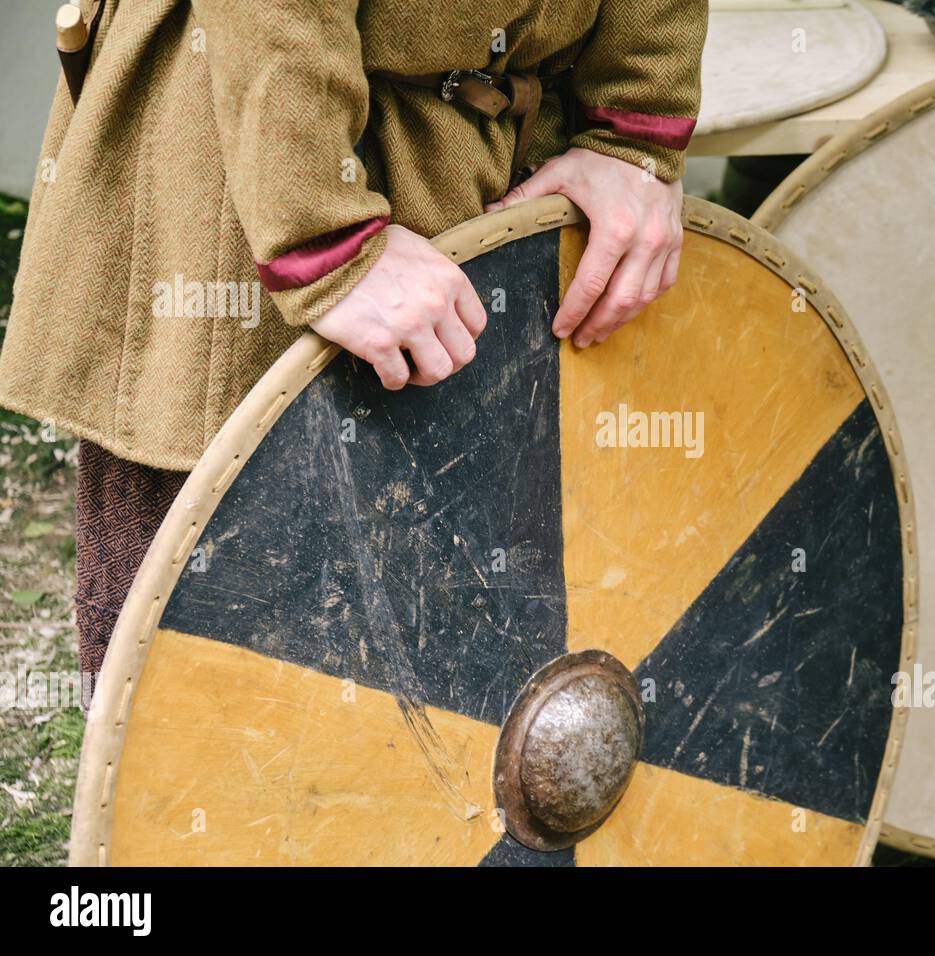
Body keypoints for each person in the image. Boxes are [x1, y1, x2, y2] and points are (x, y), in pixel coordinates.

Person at [0, 0, 707, 707]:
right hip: (257, 135)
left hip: (518, 151)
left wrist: (635, 125)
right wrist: (321, 230)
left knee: (490, 680)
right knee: (204, 698)